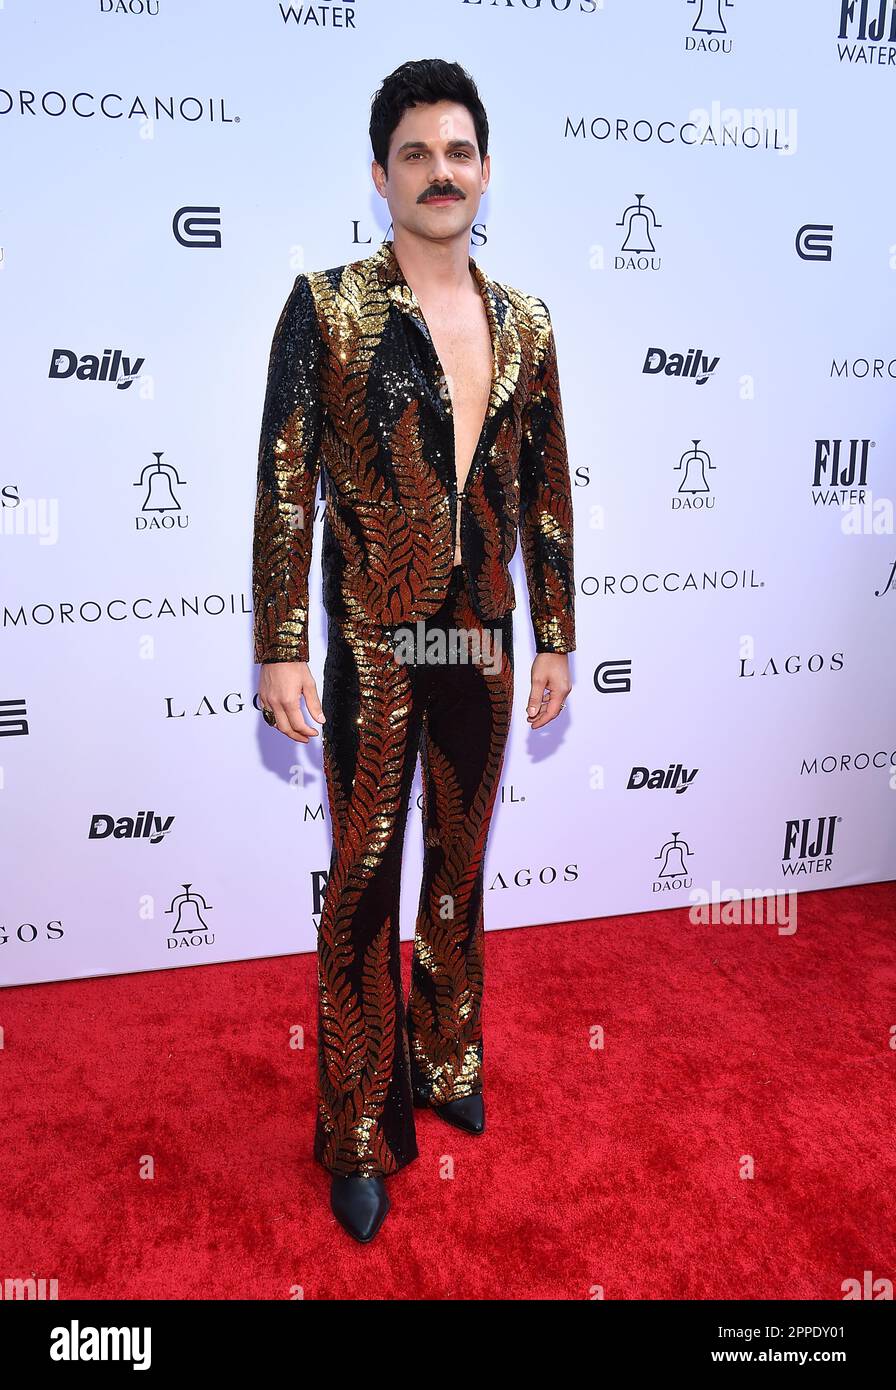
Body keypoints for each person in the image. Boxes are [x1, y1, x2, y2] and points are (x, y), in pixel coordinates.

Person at [252, 58, 576, 1243]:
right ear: (380, 173)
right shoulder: (327, 304)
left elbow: (544, 492)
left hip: (482, 641)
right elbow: (287, 481)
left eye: (457, 152)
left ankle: (446, 1060)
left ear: (483, 171)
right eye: (415, 154)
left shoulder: (528, 320)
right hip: (376, 643)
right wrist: (283, 643)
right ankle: (353, 1126)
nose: (439, 173)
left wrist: (555, 636)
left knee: (461, 864)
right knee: (360, 881)